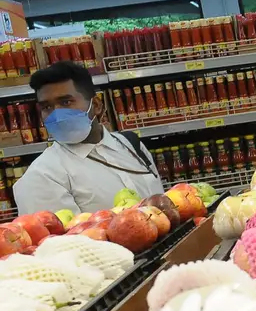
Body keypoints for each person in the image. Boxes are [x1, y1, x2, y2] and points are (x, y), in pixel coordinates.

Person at [14, 61, 163, 215]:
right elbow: (57, 230)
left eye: (66, 102)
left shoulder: (131, 145)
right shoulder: (42, 176)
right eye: (47, 107)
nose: (56, 115)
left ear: (96, 105)